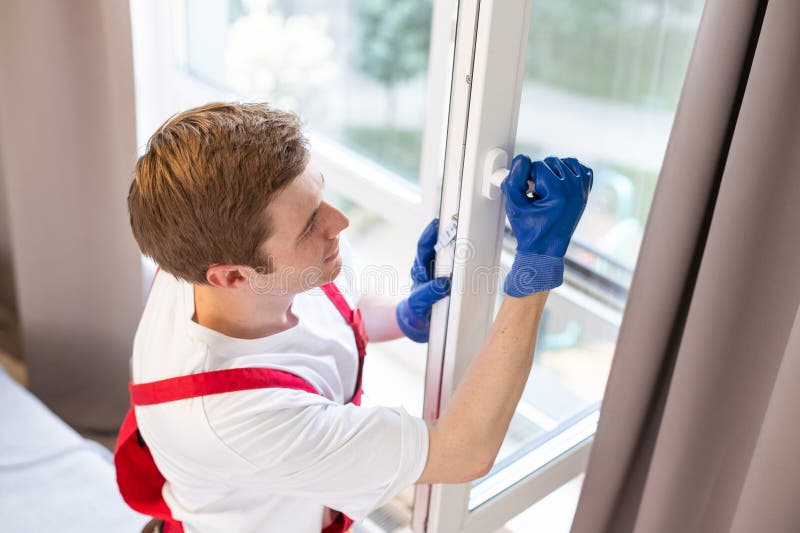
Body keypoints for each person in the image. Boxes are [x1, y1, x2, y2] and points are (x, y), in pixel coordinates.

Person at [114, 102, 592, 533]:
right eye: (309, 227)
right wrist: (536, 271)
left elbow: (318, 326)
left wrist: (401, 318)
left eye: (320, 196)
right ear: (233, 277)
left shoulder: (211, 252)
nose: (339, 222)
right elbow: (463, 451)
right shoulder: (228, 417)